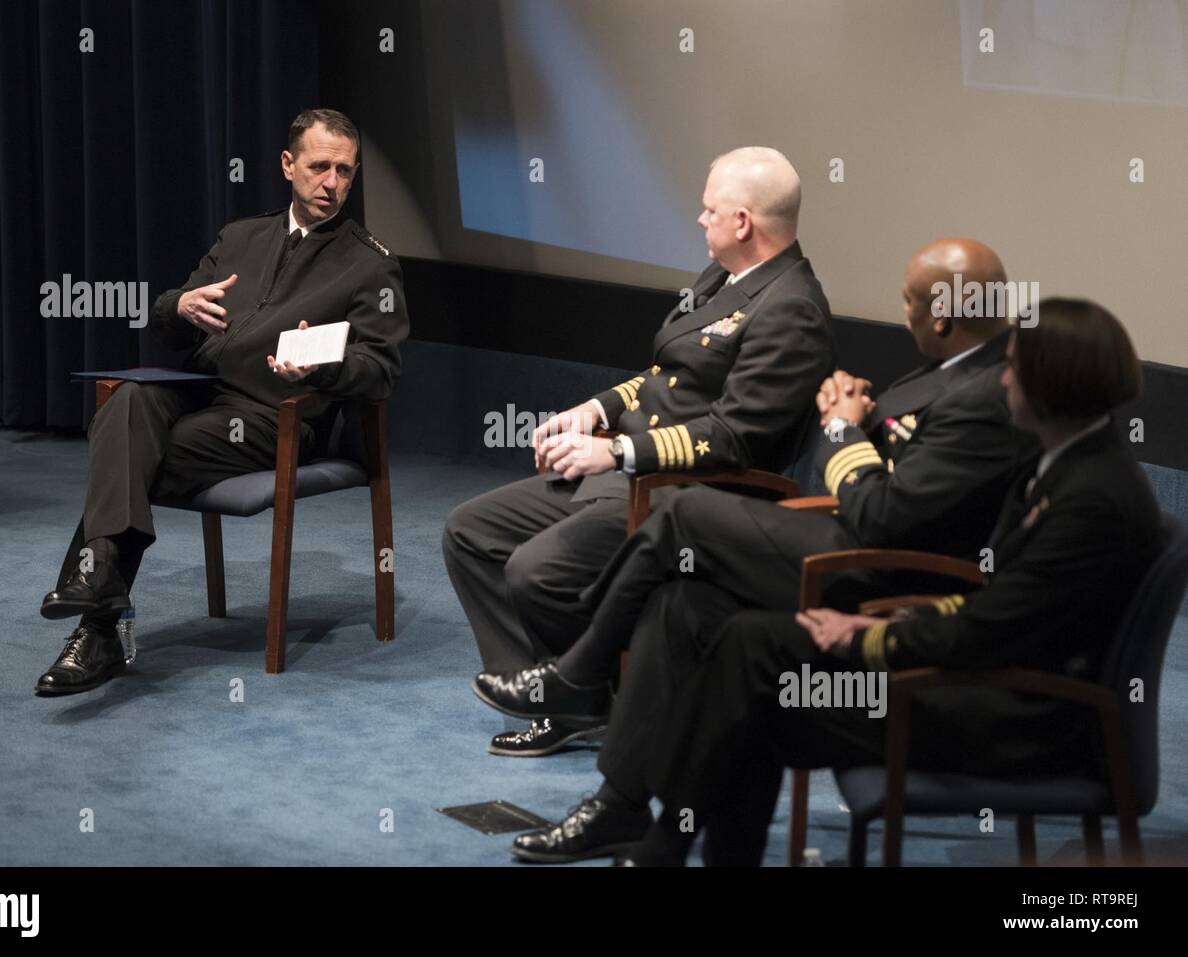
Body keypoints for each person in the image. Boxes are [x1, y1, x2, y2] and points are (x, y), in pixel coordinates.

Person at [484, 237, 1040, 862]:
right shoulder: (956, 370)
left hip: (882, 576)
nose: (903, 311)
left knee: (685, 512)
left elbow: (887, 516)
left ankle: (577, 672)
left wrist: (840, 426)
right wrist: (857, 419)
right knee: (682, 604)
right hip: (850, 539)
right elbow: (898, 472)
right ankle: (625, 809)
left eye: (909, 301)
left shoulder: (989, 395)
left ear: (940, 315)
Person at [627, 298, 1161, 865]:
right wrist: (892, 618)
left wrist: (861, 636)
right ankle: (668, 845)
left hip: (1013, 720)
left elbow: (986, 632)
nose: (1004, 378)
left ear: (1052, 384)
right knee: (745, 645)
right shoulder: (1069, 466)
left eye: (1016, 368)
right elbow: (1001, 604)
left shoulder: (1090, 500)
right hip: (990, 683)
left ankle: (662, 846)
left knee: (753, 682)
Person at [442, 147, 835, 757]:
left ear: (743, 223)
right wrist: (596, 411)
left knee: (533, 569)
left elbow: (735, 438)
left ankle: (578, 694)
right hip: (635, 471)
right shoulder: (724, 277)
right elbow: (665, 372)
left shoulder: (792, 310)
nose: (699, 221)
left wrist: (619, 451)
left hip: (695, 496)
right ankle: (560, 697)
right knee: (470, 532)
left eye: (709, 211)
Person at [35, 108, 408, 695]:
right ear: (288, 166)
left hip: (272, 417)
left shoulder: (370, 265)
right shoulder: (241, 236)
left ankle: (98, 609)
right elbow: (168, 328)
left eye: (344, 170)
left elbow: (381, 369)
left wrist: (327, 365)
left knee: (131, 454)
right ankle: (103, 593)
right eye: (318, 167)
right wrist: (178, 307)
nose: (331, 183)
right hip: (200, 394)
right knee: (128, 403)